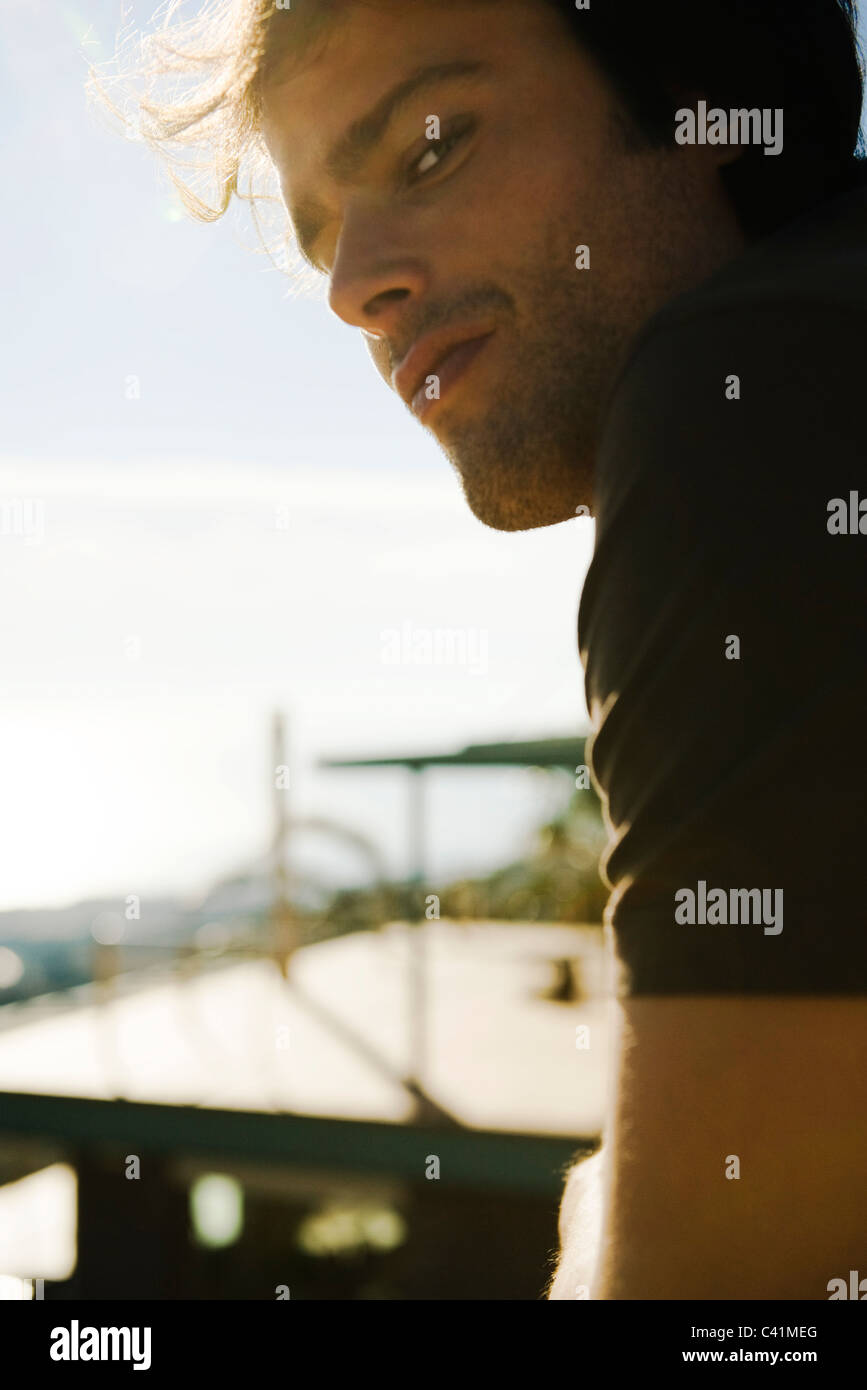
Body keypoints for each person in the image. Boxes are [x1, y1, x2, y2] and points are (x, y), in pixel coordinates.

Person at [99, 0, 867, 1298]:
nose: (353, 290)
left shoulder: (752, 382)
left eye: (431, 147)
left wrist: (603, 1212)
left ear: (701, 91)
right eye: (325, 234)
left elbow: (718, 1299)